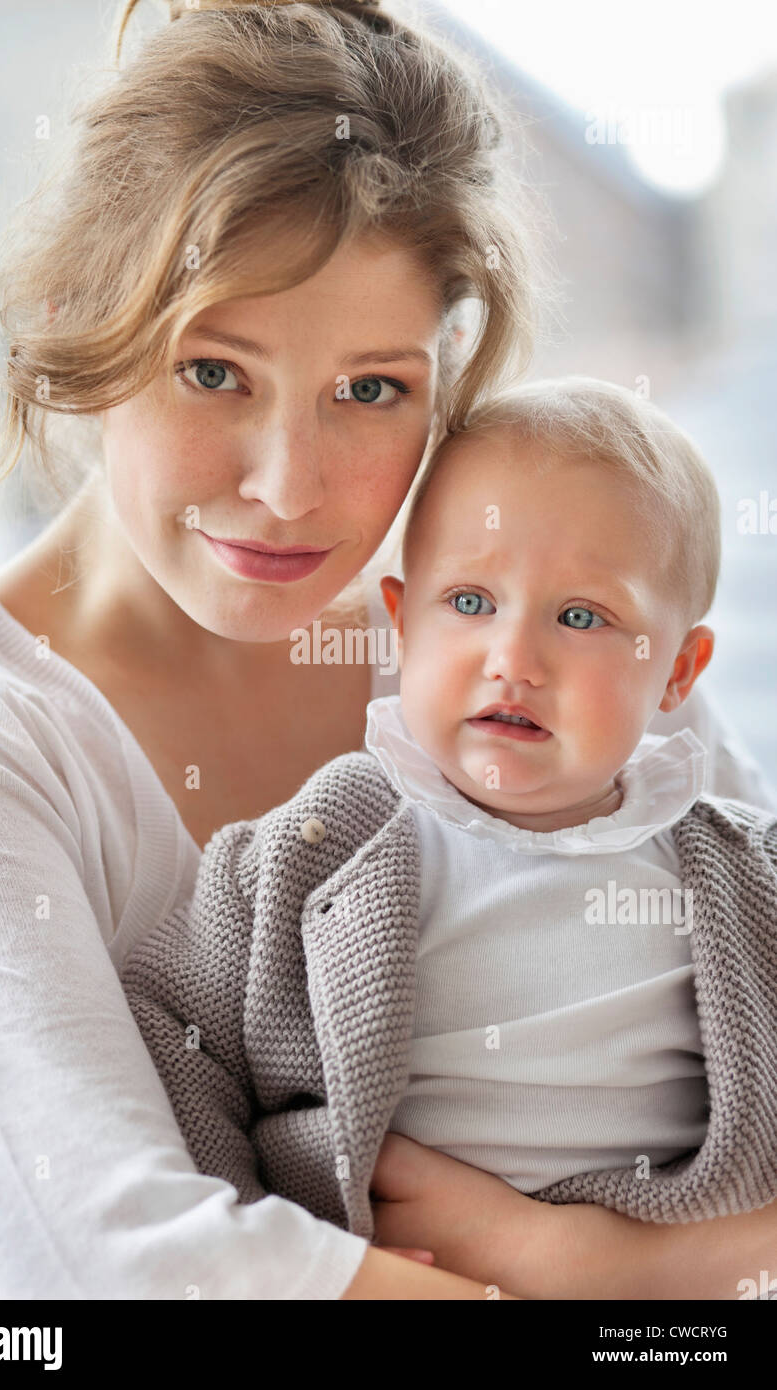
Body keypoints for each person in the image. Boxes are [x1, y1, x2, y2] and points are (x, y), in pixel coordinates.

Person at [0, 0, 773, 1301]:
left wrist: (583, 1257)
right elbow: (112, 1258)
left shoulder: (521, 626)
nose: (289, 489)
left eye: (370, 389)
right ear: (74, 315)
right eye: (215, 370)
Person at [120, 377, 777, 1295]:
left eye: (581, 617)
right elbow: (176, 1037)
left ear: (678, 669)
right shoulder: (318, 848)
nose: (514, 658)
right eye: (469, 602)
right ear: (401, 622)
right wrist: (276, 1257)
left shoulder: (748, 878)